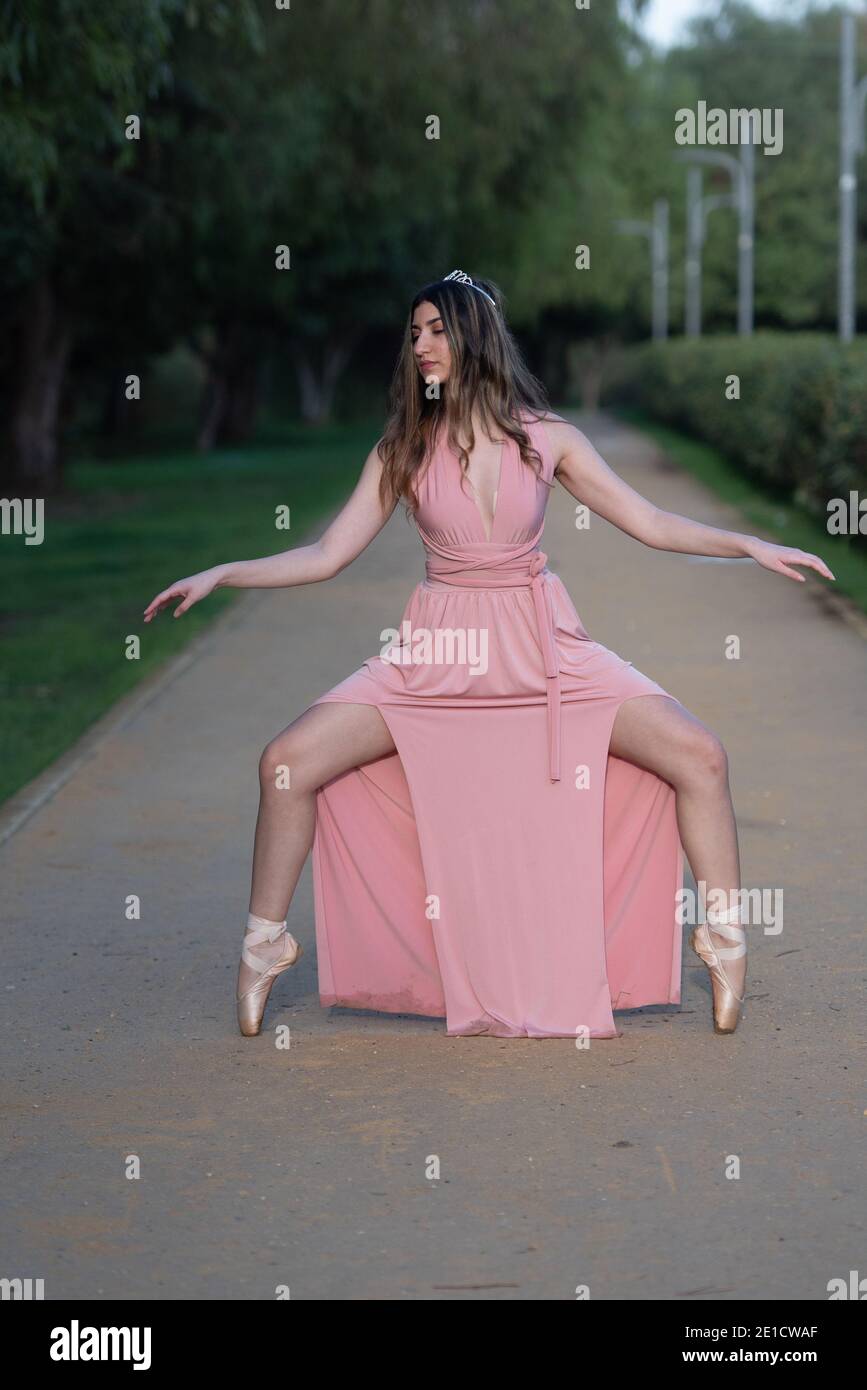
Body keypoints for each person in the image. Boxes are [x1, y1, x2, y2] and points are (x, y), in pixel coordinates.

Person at [144, 270, 834, 1042]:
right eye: (413, 334)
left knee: (699, 756)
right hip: (435, 654)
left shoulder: (549, 439)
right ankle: (263, 946)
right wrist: (222, 572)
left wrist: (747, 543)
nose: (421, 346)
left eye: (435, 329)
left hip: (544, 653)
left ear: (474, 335)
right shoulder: (401, 448)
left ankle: (723, 939)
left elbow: (649, 521)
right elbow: (326, 554)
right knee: (286, 761)